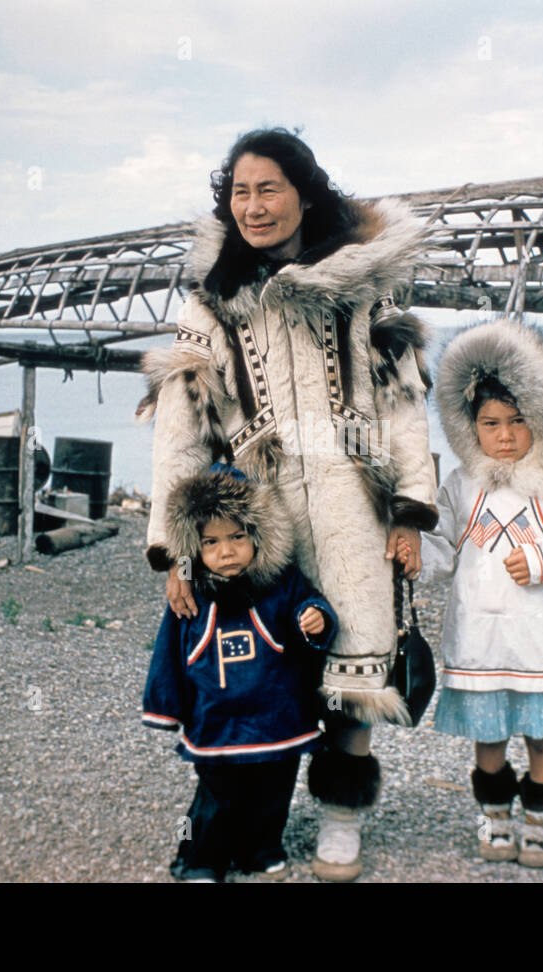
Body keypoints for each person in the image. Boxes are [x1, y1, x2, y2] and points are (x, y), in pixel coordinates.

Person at [136, 128, 437, 881]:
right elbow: (180, 428)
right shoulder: (210, 304)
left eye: (268, 188)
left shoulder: (366, 289)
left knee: (356, 666)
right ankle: (235, 826)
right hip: (254, 517)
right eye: (240, 192)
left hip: (352, 506)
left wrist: (410, 513)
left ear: (304, 194)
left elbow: (403, 405)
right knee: (254, 673)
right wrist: (176, 548)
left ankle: (340, 818)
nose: (254, 206)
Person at [413, 319, 543, 867]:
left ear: (542, 419)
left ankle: (539, 825)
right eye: (491, 423)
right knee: (489, 737)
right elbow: (441, 546)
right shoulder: (461, 484)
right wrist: (412, 555)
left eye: (518, 420)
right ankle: (495, 819)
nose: (504, 435)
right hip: (482, 641)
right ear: (469, 426)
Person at [142, 465, 338, 882]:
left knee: (274, 792)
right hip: (217, 720)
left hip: (279, 717)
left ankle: (260, 850)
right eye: (211, 542)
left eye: (237, 537)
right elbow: (169, 655)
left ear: (259, 535)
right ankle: (199, 859)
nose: (226, 551)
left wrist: (316, 618)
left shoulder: (282, 582)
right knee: (216, 796)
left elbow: (313, 607)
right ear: (192, 545)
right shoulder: (190, 594)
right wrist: (165, 708)